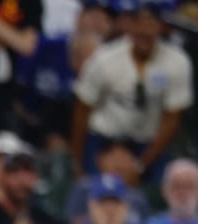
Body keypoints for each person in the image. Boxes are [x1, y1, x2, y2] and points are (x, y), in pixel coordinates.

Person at [72, 0, 192, 178]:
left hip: (148, 143)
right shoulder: (105, 57)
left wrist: (141, 166)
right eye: (140, 23)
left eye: (151, 24)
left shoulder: (177, 61)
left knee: (163, 187)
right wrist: (76, 163)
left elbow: (171, 120)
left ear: (160, 27)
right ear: (131, 26)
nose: (145, 30)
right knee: (91, 187)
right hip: (103, 140)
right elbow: (82, 110)